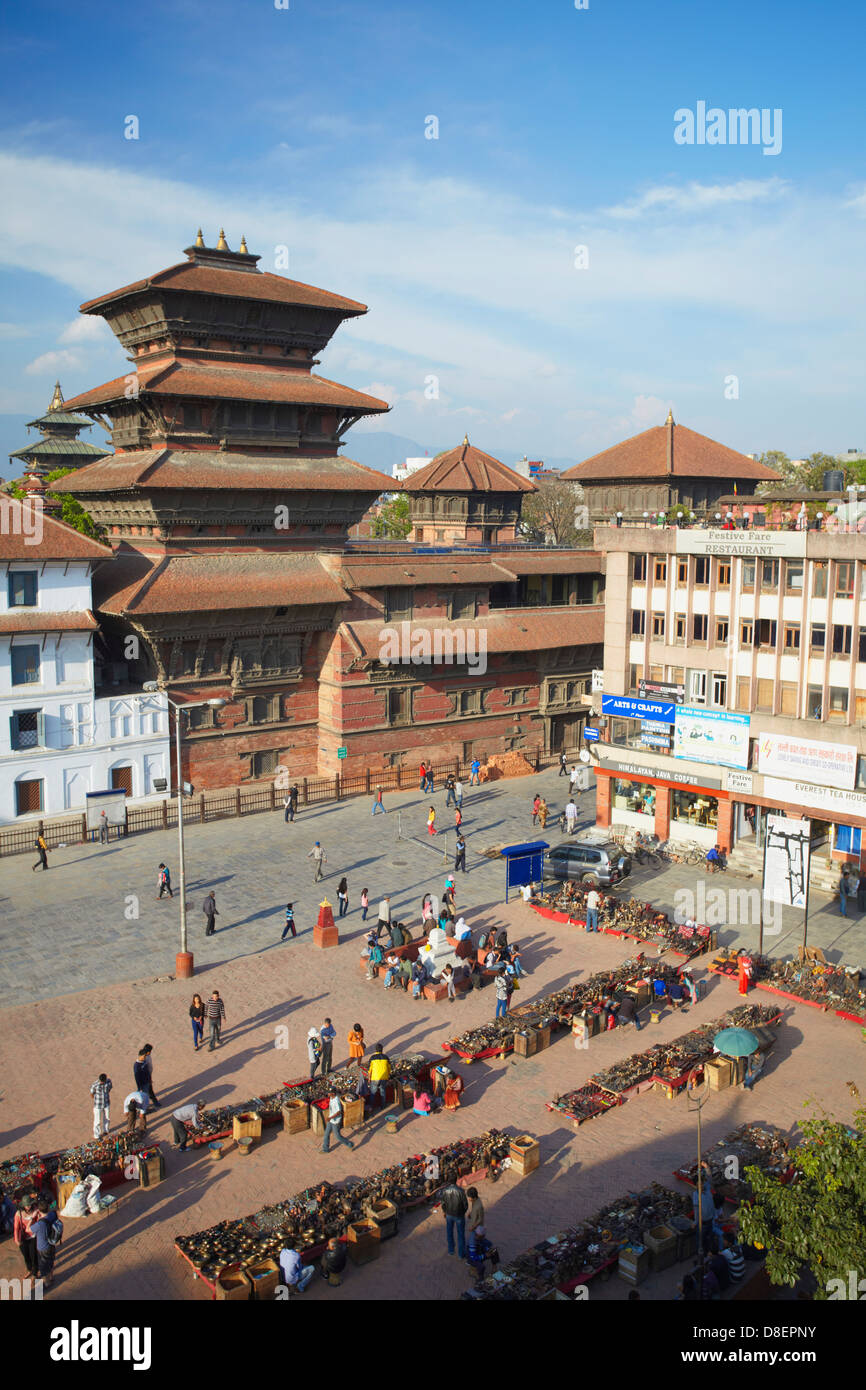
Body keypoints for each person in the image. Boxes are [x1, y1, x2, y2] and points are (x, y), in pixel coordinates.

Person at [33, 1201, 62, 1289]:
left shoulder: (39, 1224)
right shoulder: (52, 1215)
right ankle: (51, 1277)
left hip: (42, 1247)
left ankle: (47, 1283)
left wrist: (32, 1218)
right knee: (50, 1262)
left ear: (39, 1211)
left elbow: (28, 1230)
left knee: (43, 1267)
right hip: (51, 1244)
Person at [13, 1195, 40, 1279]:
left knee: (34, 1255)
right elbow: (16, 1227)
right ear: (23, 1205)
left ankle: (35, 1272)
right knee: (26, 1255)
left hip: (33, 1236)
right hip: (23, 1238)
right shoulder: (18, 1214)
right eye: (27, 1205)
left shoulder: (35, 1211)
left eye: (29, 1204)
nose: (28, 1206)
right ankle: (29, 1269)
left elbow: (39, 1223)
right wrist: (17, 1239)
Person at [322, 1089, 355, 1153]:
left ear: (333, 1093)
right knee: (326, 1134)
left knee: (338, 1136)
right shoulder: (331, 1098)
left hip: (335, 1121)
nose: (328, 1094)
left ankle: (350, 1144)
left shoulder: (336, 1100)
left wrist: (330, 1117)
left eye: (329, 1093)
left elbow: (338, 1112)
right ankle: (325, 1149)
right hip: (331, 1120)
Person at [441, 1180, 468, 1257]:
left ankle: (451, 1250)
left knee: (449, 1233)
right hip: (459, 1215)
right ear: (456, 1180)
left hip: (449, 1215)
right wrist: (462, 1212)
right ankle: (460, 1254)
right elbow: (465, 1205)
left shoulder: (445, 1191)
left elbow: (443, 1203)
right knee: (460, 1234)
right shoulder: (461, 1190)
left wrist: (444, 1211)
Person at [368, 1042, 391, 1108]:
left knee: (373, 1093)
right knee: (383, 1091)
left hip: (375, 1078)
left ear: (375, 1050)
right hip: (384, 1078)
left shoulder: (372, 1058)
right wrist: (388, 1077)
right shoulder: (386, 1057)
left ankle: (371, 1107)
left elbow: (370, 1070)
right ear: (382, 1049)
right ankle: (383, 1106)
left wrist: (369, 1079)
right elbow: (389, 1069)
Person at [90, 1073, 112, 1137]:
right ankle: (96, 1135)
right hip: (98, 1105)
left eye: (103, 1081)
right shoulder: (95, 1085)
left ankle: (106, 1130)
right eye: (101, 1081)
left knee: (107, 1118)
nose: (102, 1082)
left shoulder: (109, 1082)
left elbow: (109, 1089)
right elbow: (91, 1093)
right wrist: (96, 1099)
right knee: (97, 1120)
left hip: (106, 1103)